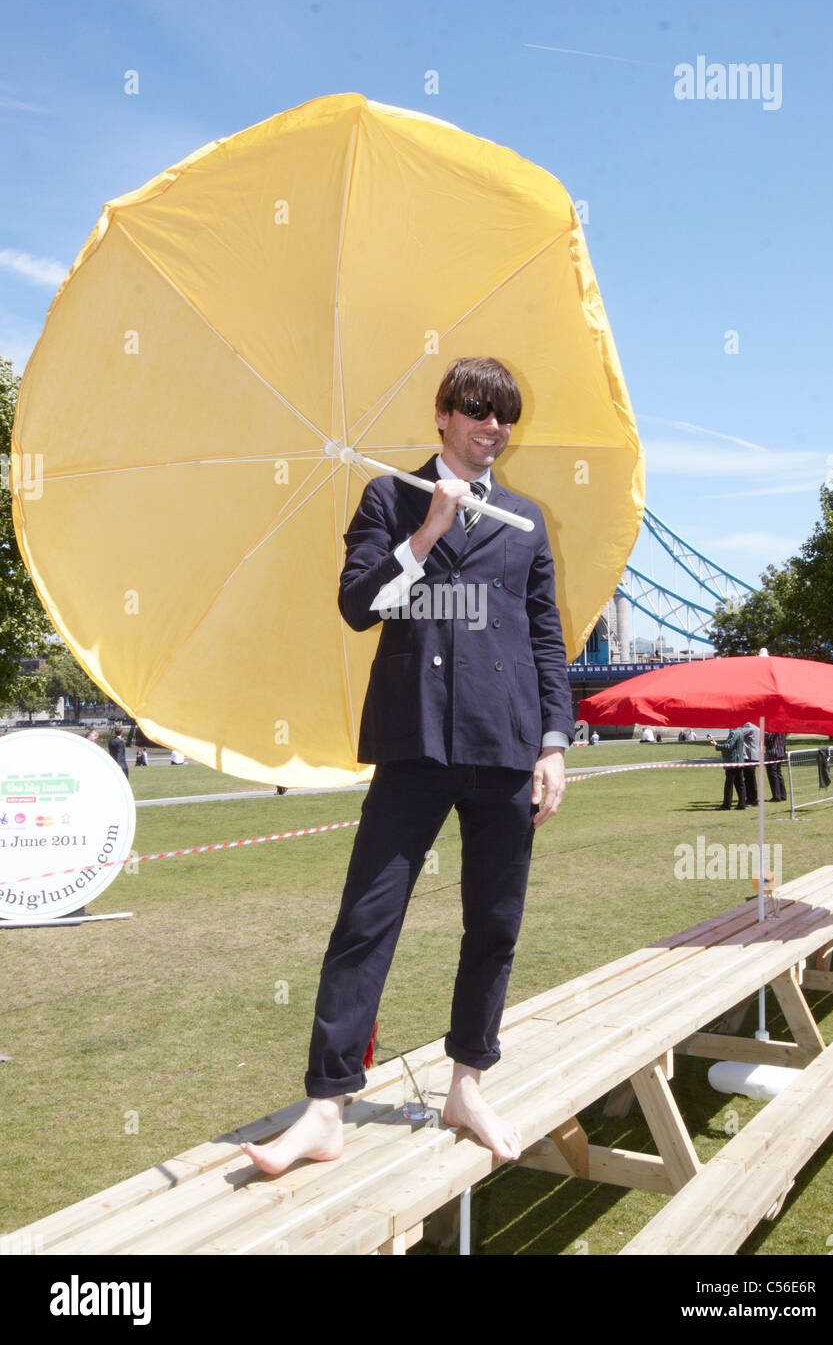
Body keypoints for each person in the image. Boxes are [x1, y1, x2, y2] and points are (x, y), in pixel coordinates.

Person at [241, 357, 573, 1175]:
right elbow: (360, 607)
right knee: (366, 919)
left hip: (505, 744)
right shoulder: (390, 498)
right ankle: (326, 1105)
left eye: (505, 416)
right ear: (442, 416)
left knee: (493, 924)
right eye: (476, 410)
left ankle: (468, 1082)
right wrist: (426, 531)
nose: (491, 427)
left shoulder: (526, 520)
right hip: (414, 740)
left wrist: (555, 742)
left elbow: (546, 643)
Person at [715, 726, 746, 809]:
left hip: (733, 762)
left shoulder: (734, 733)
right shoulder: (740, 731)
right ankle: (742, 803)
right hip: (739, 761)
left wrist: (717, 745)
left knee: (729, 784)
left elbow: (729, 746)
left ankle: (727, 804)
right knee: (740, 784)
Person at [765, 731, 787, 802]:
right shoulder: (782, 728)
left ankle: (776, 796)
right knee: (778, 773)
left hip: (773, 753)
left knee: (773, 774)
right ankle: (782, 794)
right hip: (780, 752)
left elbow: (768, 738)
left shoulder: (772, 729)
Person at [741, 721, 760, 806]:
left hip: (750, 756)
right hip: (755, 756)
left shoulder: (749, 727)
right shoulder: (757, 728)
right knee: (751, 778)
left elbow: (738, 733)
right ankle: (752, 798)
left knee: (749, 779)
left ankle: (752, 799)